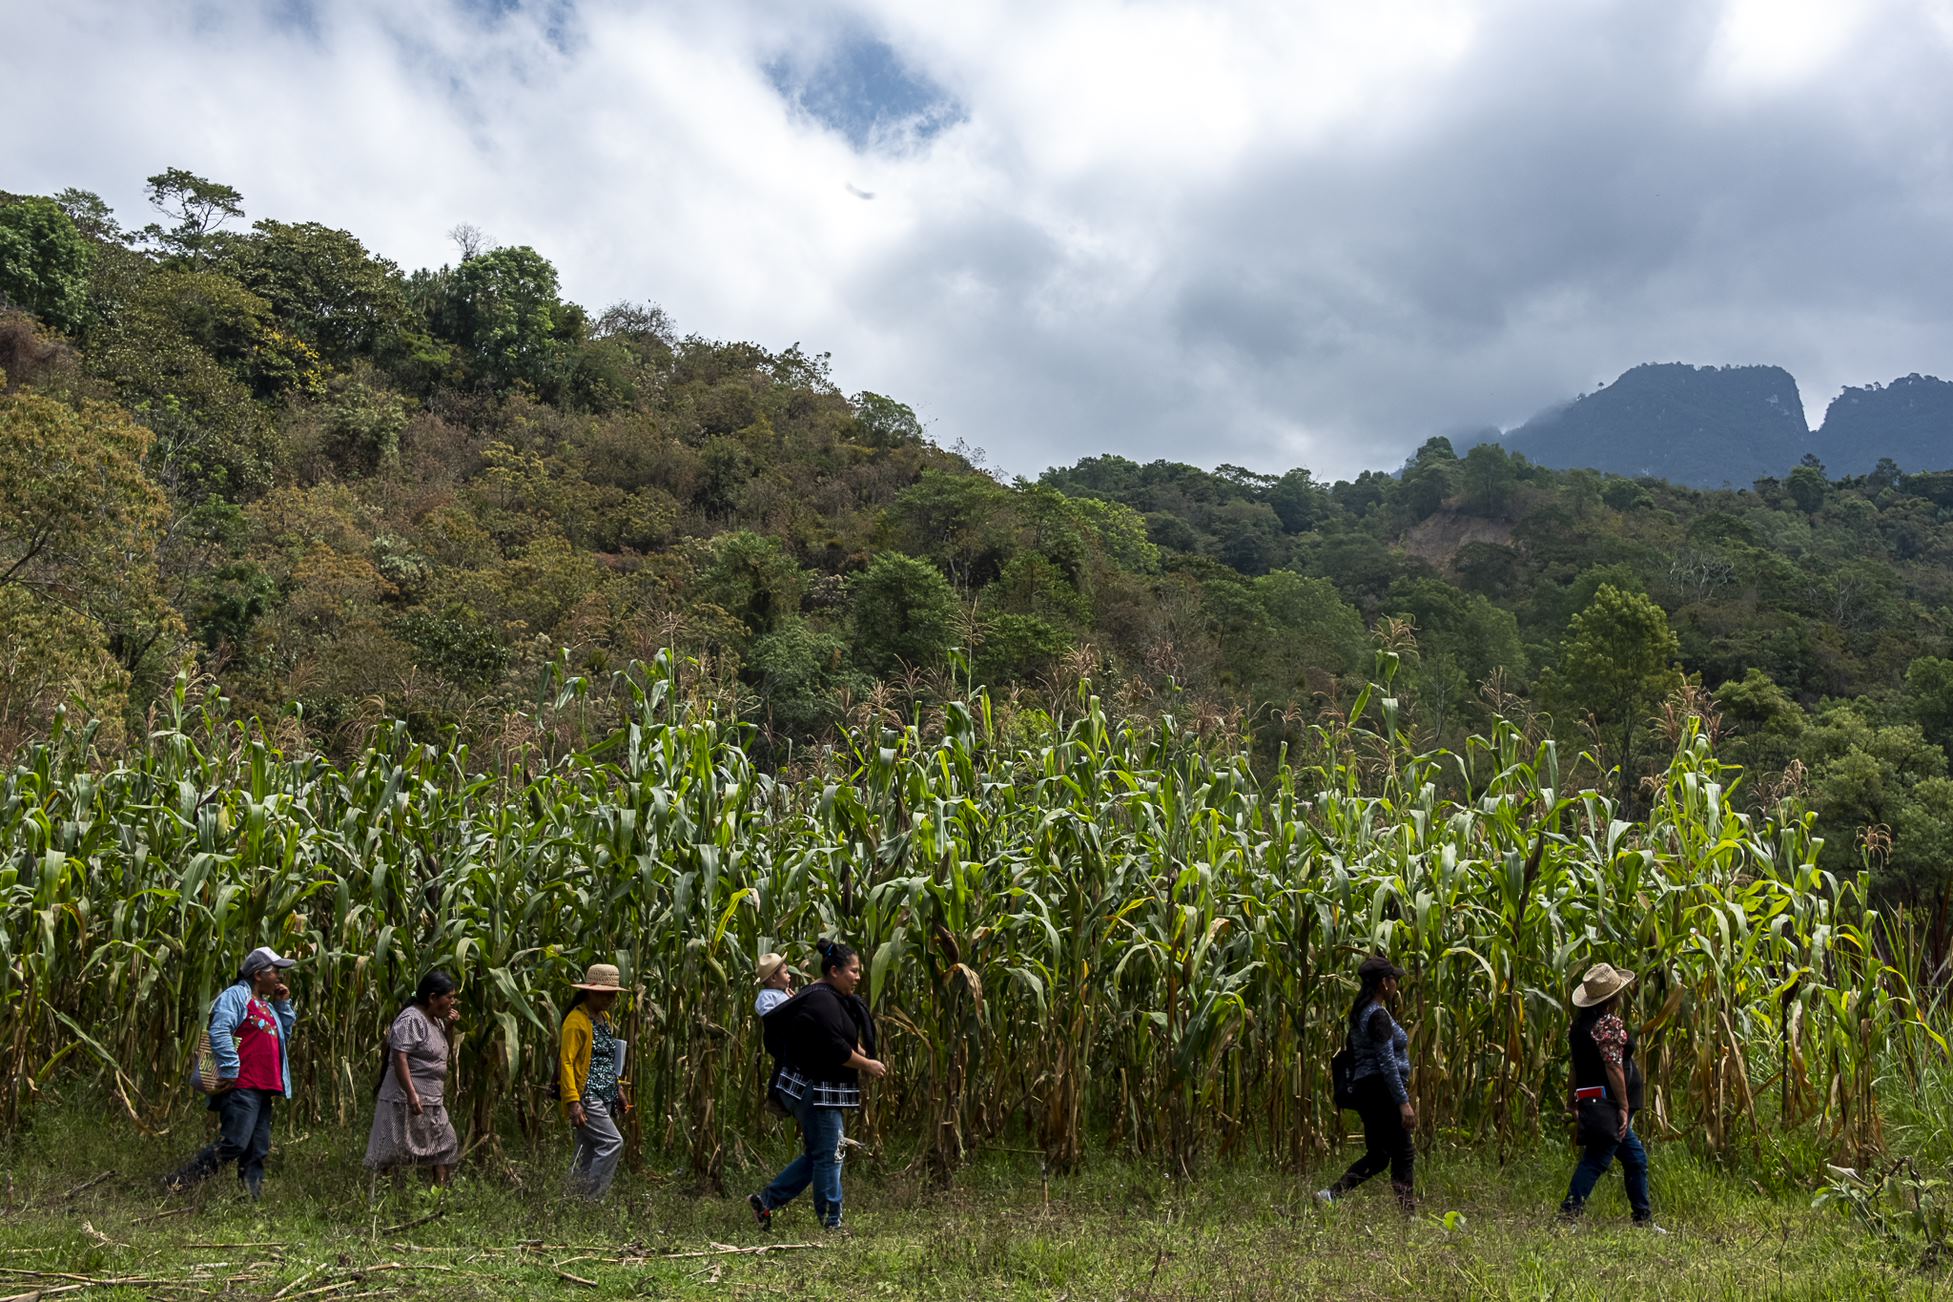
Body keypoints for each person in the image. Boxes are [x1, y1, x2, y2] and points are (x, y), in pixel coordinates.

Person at [748, 939, 886, 1233]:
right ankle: (831, 1222)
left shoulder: (823, 995)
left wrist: (862, 1053)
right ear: (834, 971)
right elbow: (833, 1047)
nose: (858, 977)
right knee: (831, 1153)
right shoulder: (821, 1000)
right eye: (854, 971)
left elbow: (840, 1037)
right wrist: (868, 1065)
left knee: (818, 1154)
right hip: (815, 1090)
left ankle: (767, 1201)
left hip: (805, 1086)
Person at [164, 946, 298, 1200]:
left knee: (257, 1148)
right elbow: (219, 1030)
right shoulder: (235, 996)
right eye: (275, 972)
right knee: (235, 1142)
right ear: (259, 974)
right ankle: (178, 1182)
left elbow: (282, 1038)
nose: (279, 978)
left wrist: (283, 1006)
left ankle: (250, 1199)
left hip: (264, 1087)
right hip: (242, 1085)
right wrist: (230, 1069)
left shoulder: (267, 1006)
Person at [1558, 962, 1665, 1231]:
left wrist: (1572, 1102)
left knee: (1635, 1159)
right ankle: (1567, 1215)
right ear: (1613, 998)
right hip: (1609, 1105)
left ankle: (1643, 1219)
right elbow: (1614, 1067)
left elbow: (1576, 1067)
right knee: (1596, 1160)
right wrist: (1624, 1106)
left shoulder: (1578, 1027)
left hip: (1593, 1102)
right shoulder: (1608, 1024)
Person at [1317, 955, 1415, 1210]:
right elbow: (1387, 1062)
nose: (1396, 985)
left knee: (1379, 1156)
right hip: (1381, 1090)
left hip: (1367, 1090)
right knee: (1403, 1153)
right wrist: (1403, 1102)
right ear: (1385, 983)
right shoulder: (1377, 1016)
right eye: (1394, 979)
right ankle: (1409, 1217)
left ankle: (1329, 1196)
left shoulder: (1361, 1012)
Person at [365, 969, 462, 1184]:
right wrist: (411, 1094)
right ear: (432, 997)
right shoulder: (411, 1019)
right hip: (403, 1100)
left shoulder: (436, 1020)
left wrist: (450, 1027)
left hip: (432, 1100)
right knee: (388, 1152)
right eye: (450, 997)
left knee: (446, 1144)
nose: (453, 1002)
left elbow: (443, 1048)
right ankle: (378, 1204)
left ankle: (439, 1200)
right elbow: (399, 1057)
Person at [559, 962, 627, 1200]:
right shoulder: (575, 1021)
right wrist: (572, 1101)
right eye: (605, 994)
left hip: (604, 1094)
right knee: (612, 1142)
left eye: (613, 995)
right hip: (587, 1095)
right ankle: (592, 1201)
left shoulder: (603, 1018)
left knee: (586, 1152)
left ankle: (571, 1202)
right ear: (590, 991)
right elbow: (566, 1062)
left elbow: (606, 1059)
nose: (610, 999)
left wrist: (617, 1089)